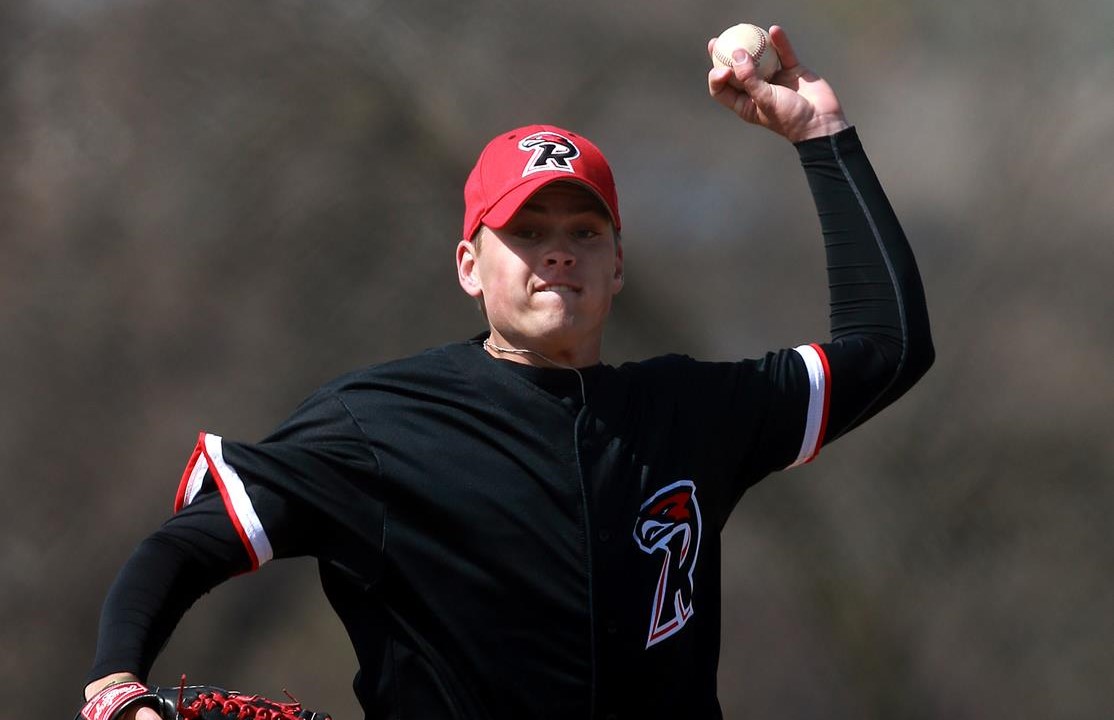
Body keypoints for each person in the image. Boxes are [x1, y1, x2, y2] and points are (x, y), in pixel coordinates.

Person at [80, 25, 933, 720]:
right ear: (468, 265)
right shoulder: (378, 426)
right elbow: (190, 541)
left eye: (584, 230)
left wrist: (820, 135)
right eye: (525, 232)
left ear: (618, 264)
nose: (558, 251)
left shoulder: (692, 413)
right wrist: (117, 686)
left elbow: (889, 348)